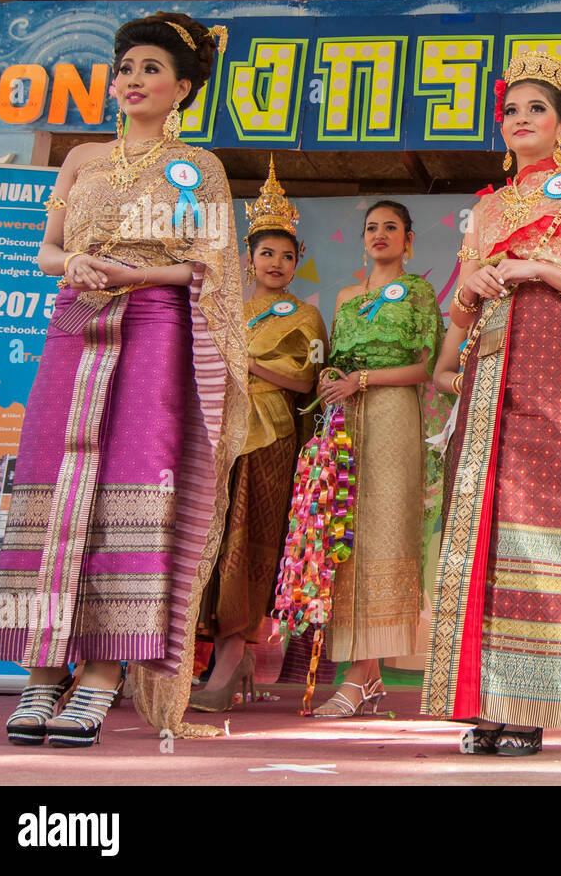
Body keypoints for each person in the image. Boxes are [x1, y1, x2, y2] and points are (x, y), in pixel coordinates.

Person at [0, 12, 245, 745]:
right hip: (74, 321)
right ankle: (41, 673)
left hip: (155, 324)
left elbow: (213, 267)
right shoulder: (80, 159)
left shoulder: (200, 168)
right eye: (125, 67)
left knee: (131, 483)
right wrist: (72, 263)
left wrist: (140, 274)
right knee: (50, 478)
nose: (132, 80)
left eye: (150, 69)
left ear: (183, 88)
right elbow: (46, 251)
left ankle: (100, 675)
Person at [422, 50, 561, 756]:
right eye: (511, 109)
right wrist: (470, 292)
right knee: (481, 523)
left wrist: (541, 268)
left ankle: (529, 703)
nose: (521, 119)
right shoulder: (486, 207)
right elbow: (462, 306)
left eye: (536, 109)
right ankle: (482, 701)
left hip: (552, 369)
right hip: (489, 375)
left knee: (538, 528)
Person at [191, 159, 326, 712]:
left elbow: (305, 381)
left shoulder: (304, 315)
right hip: (218, 432)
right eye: (266, 253)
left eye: (287, 255)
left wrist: (249, 364)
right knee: (213, 537)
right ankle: (215, 652)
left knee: (251, 534)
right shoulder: (227, 309)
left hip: (269, 437)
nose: (276, 262)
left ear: (298, 264)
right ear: (248, 258)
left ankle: (234, 651)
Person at [311, 200, 442, 716]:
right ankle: (363, 676)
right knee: (348, 535)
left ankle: (363, 674)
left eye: (391, 227)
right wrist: (331, 381)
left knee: (383, 533)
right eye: (372, 227)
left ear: (408, 240)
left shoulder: (418, 292)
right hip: (346, 421)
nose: (380, 234)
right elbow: (336, 359)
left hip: (392, 417)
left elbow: (427, 368)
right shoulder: (344, 296)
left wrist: (361, 381)